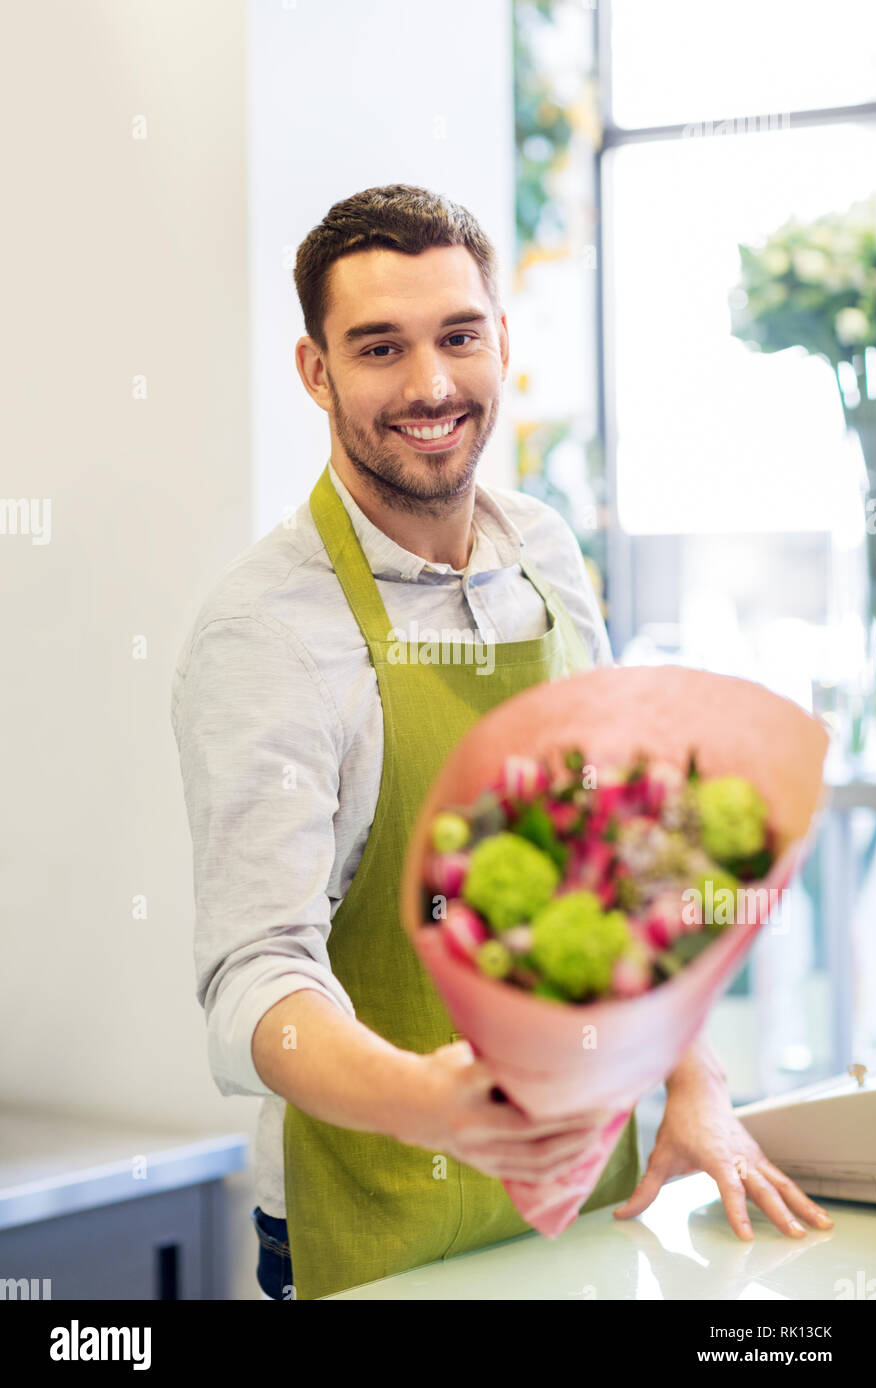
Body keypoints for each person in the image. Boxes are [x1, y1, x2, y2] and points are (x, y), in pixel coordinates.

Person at [170, 184, 833, 1302]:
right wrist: (435, 1104)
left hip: (586, 1213)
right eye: (380, 347)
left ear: (500, 341)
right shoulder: (263, 634)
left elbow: (616, 853)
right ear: (315, 372)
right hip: (373, 1231)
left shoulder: (545, 553)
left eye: (458, 336)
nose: (431, 385)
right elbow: (253, 978)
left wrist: (693, 1078)